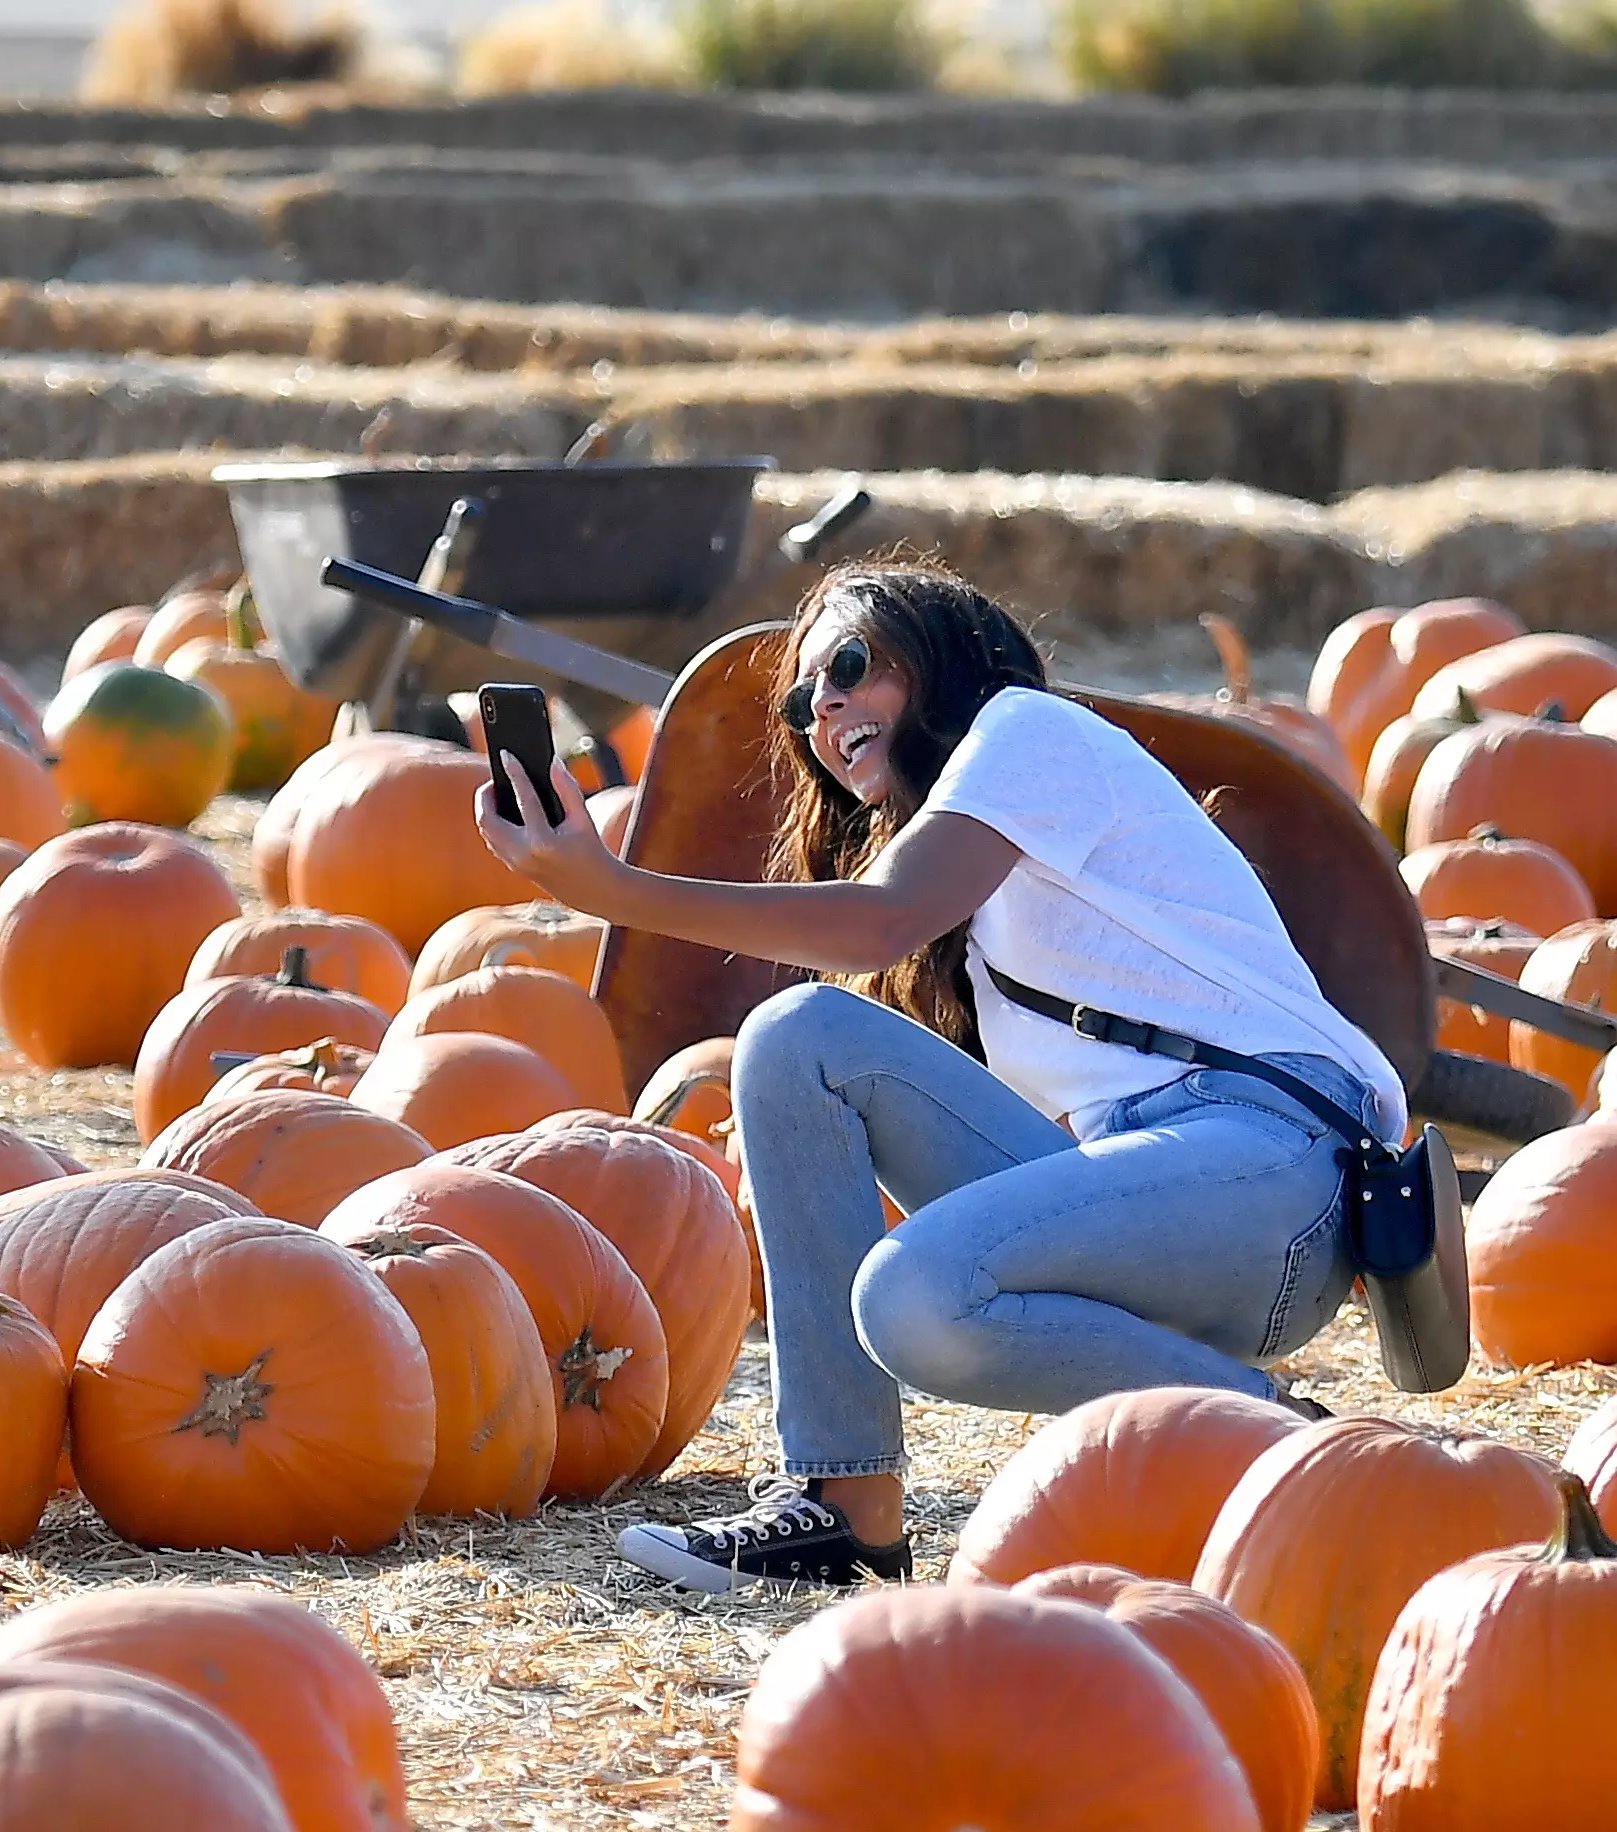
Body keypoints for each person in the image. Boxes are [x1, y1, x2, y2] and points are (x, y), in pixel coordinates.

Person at [475, 563, 1402, 1594]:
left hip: (1275, 1174)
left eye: (850, 664)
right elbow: (882, 935)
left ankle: (1285, 1437)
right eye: (802, 702)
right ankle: (841, 1513)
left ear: (942, 656)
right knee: (798, 1037)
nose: (821, 705)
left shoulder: (1026, 732)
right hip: (1157, 1191)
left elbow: (880, 913)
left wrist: (611, 891)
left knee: (914, 1293)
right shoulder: (986, 908)